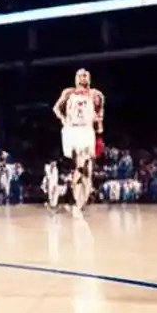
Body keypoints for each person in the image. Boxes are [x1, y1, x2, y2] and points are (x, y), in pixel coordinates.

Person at [53, 69, 104, 218]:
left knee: (87, 165)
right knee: (80, 161)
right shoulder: (69, 93)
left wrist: (99, 126)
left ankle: (80, 194)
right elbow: (56, 108)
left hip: (87, 130)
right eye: (80, 76)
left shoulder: (95, 94)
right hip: (72, 129)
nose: (83, 78)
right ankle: (73, 192)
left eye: (85, 75)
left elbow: (100, 112)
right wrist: (64, 120)